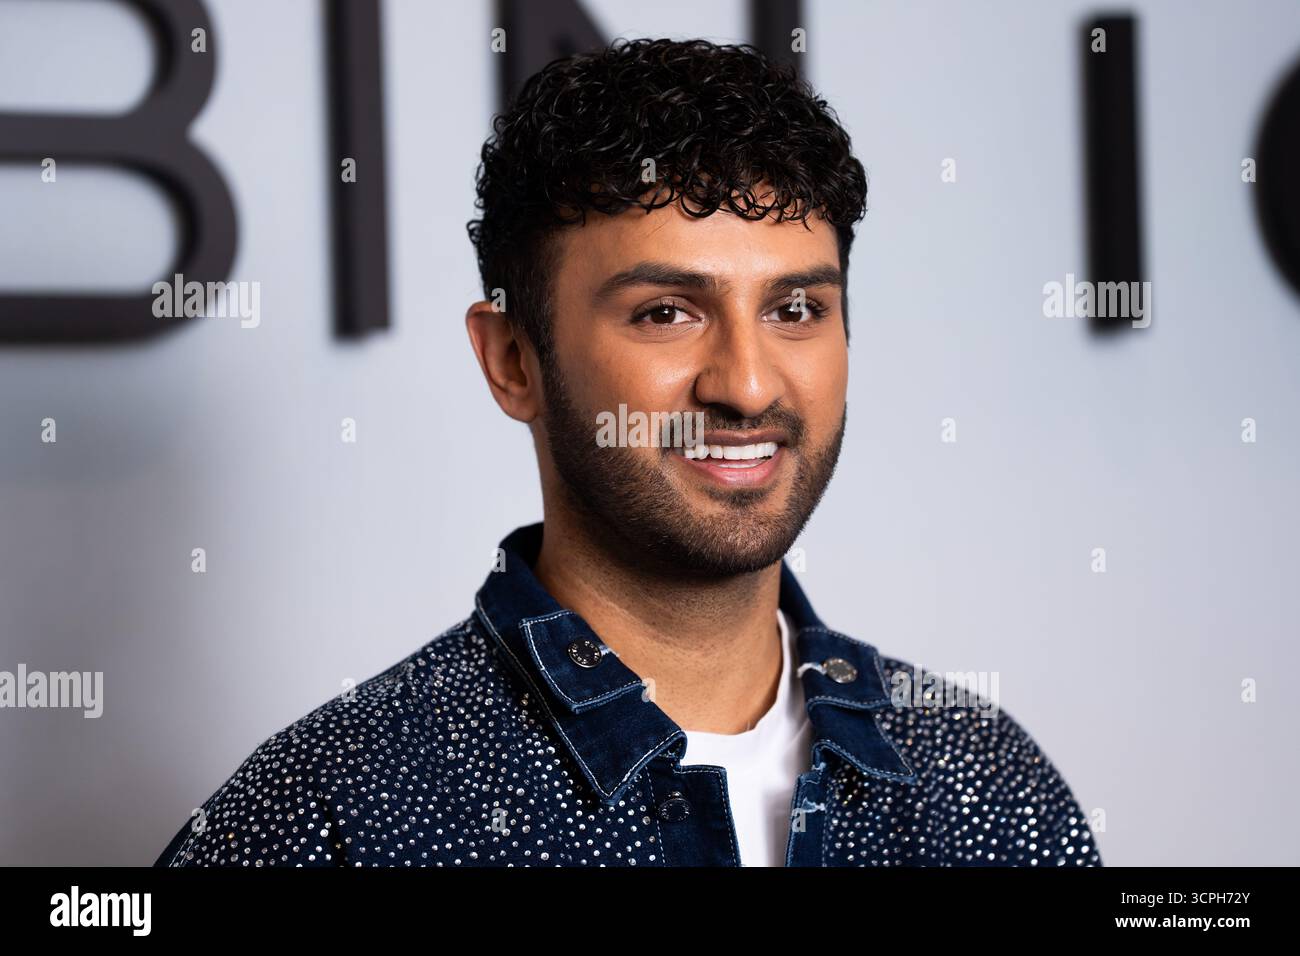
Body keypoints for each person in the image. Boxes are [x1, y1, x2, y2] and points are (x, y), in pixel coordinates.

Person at [156, 37, 1100, 867]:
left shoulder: (988, 786)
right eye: (667, 313)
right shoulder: (331, 818)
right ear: (514, 360)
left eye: (795, 310)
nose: (749, 385)